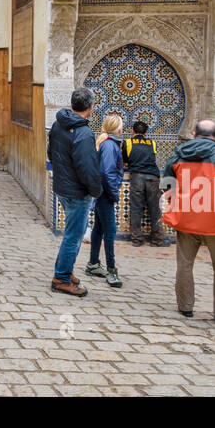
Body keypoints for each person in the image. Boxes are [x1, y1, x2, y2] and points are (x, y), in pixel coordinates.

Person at [161, 119, 215, 324]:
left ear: (193, 134)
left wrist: (176, 205)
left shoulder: (178, 155)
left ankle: (185, 307)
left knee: (184, 264)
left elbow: (166, 184)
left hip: (186, 219)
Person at [47, 87, 103, 297]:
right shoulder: (84, 133)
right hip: (77, 192)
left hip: (62, 188)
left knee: (73, 232)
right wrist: (96, 190)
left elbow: (51, 153)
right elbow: (87, 167)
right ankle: (61, 278)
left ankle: (66, 272)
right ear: (90, 107)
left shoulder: (58, 124)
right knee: (73, 235)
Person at [85, 114, 125, 288]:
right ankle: (111, 270)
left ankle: (93, 263)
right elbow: (107, 173)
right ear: (118, 128)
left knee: (99, 229)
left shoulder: (108, 143)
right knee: (110, 231)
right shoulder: (110, 145)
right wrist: (114, 193)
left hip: (102, 193)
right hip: (105, 194)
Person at [124, 119, 170, 246]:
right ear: (146, 133)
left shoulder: (127, 142)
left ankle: (137, 240)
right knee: (155, 209)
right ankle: (157, 240)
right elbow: (151, 157)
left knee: (136, 208)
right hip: (153, 177)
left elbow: (126, 160)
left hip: (137, 177)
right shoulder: (152, 143)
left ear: (132, 131)